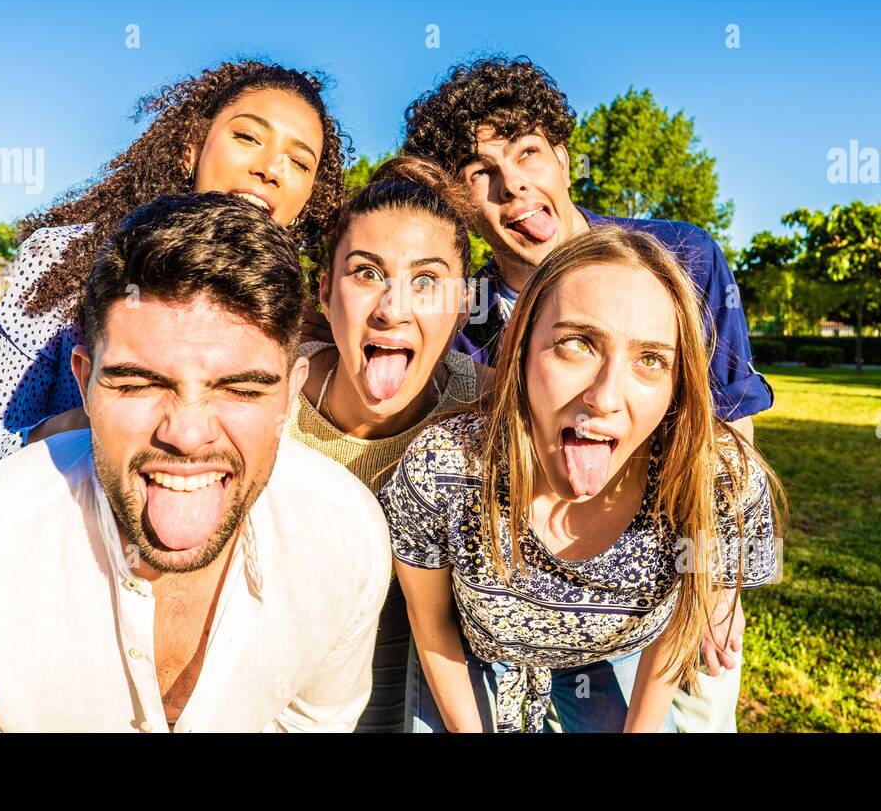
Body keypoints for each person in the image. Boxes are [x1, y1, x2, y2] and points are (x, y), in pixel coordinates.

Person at [0, 191, 391, 732]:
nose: (188, 435)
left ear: (291, 396)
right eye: (139, 383)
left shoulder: (346, 538)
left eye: (240, 388)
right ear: (83, 383)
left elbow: (309, 722)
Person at [0, 60, 351, 539]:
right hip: (2, 533)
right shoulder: (64, 262)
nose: (270, 169)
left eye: (300, 162)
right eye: (247, 137)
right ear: (191, 150)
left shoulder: (287, 315)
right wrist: (102, 416)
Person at [380, 226, 784, 732]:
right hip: (477, 654)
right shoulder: (441, 469)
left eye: (651, 360)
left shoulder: (716, 481)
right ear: (521, 348)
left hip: (618, 654)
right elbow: (432, 624)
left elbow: (678, 627)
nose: (606, 396)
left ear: (679, 381)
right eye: (576, 344)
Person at [402, 55, 771, 447]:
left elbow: (730, 433)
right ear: (461, 203)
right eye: (480, 171)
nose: (511, 184)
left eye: (527, 152)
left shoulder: (686, 258)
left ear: (562, 162)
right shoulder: (459, 321)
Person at [286, 155, 488, 732]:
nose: (392, 308)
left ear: (460, 304)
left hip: (415, 681)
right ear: (324, 293)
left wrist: (712, 581)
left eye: (426, 281)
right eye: (367, 273)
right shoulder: (268, 396)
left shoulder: (487, 408)